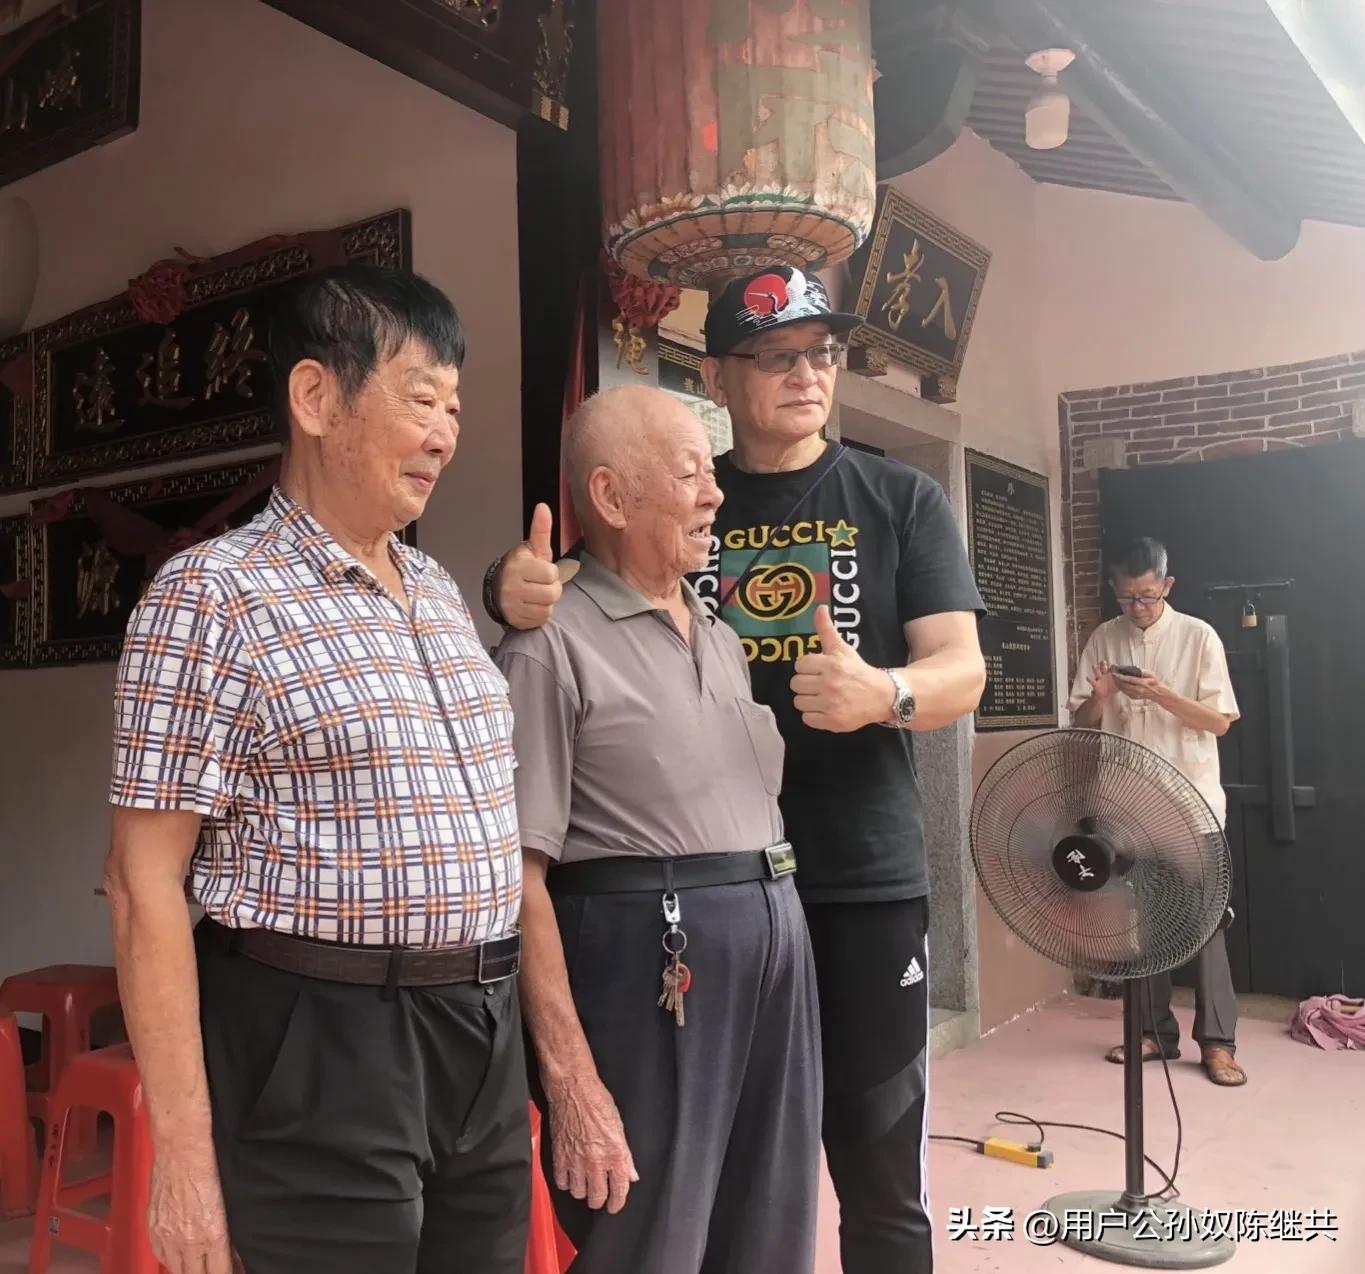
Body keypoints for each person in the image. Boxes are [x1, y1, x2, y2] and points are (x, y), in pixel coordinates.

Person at [490, 267, 987, 1274]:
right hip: (681, 909)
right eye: (775, 356)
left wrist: (881, 692)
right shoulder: (675, 501)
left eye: (822, 353)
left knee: (875, 1171)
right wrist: (506, 588)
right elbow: (566, 590)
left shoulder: (899, 496)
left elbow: (963, 668)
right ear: (716, 375)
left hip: (854, 878)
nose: (807, 374)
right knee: (692, 1195)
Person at [104, 263, 531, 1274]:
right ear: (314, 398)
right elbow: (140, 883)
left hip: (478, 1029)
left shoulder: (431, 587)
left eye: (455, 406)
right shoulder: (212, 595)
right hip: (316, 1037)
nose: (444, 432)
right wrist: (185, 1161)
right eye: (420, 397)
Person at [495, 384, 822, 1274]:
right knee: (653, 1234)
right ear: (609, 497)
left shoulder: (719, 635)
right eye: (689, 475)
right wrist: (568, 1077)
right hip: (650, 968)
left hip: (773, 948)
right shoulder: (548, 641)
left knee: (772, 1216)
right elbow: (517, 877)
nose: (715, 493)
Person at [1069, 536, 1246, 1086]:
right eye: (1126, 598)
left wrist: (1161, 695)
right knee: (1142, 923)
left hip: (1190, 805)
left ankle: (1218, 1043)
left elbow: (1220, 721)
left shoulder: (1199, 637)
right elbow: (1080, 725)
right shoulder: (1103, 637)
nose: (1137, 608)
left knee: (1206, 924)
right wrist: (1101, 696)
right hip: (1126, 808)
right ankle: (1151, 1032)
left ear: (1166, 586)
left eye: (1146, 596)